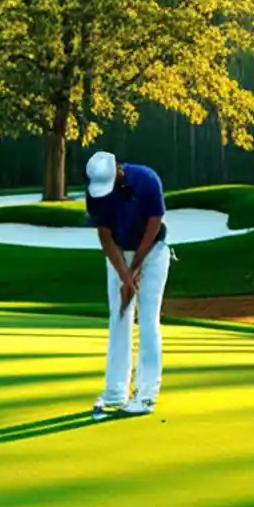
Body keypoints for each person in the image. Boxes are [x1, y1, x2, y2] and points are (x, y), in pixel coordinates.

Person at [84, 151, 172, 420]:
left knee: (147, 320)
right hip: (120, 255)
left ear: (118, 171)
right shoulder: (95, 194)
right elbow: (105, 236)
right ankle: (115, 392)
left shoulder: (146, 179)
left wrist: (135, 270)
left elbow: (153, 226)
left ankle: (145, 396)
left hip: (153, 252)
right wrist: (125, 275)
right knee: (119, 318)